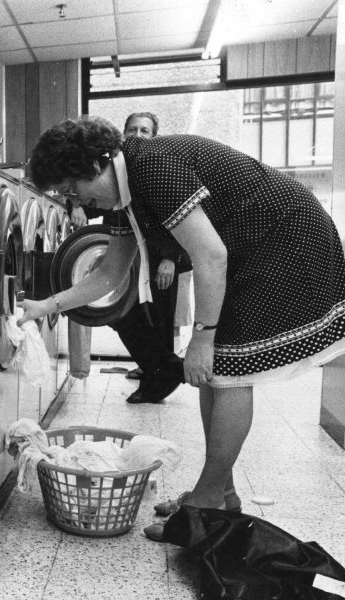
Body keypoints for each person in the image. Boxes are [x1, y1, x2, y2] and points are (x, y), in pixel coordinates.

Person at [18, 116, 345, 540]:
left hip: (282, 238)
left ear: (94, 164)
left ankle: (206, 499)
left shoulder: (151, 167)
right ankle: (220, 493)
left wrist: (203, 335)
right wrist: (45, 305)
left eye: (72, 190)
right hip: (247, 248)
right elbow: (109, 273)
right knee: (218, 373)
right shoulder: (126, 194)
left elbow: (210, 256)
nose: (78, 202)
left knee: (229, 373)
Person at [110, 112, 188, 404]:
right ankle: (166, 370)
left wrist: (169, 258)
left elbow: (177, 215)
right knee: (122, 314)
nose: (138, 135)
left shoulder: (157, 164)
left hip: (159, 257)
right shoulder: (121, 168)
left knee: (159, 320)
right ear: (123, 133)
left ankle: (155, 382)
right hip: (130, 257)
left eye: (145, 130)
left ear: (154, 136)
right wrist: (73, 204)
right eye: (132, 129)